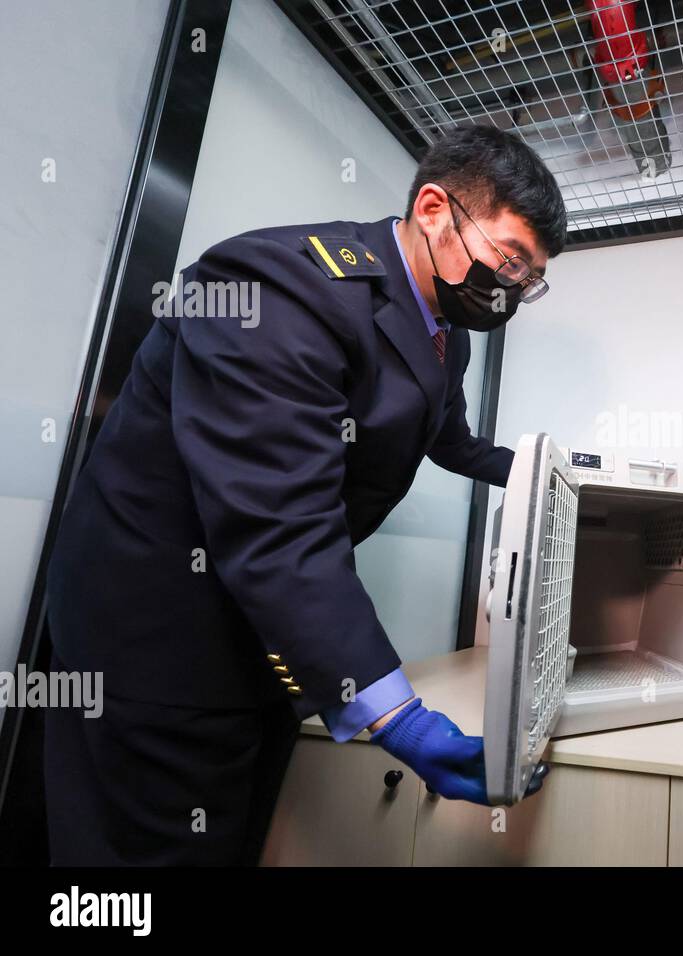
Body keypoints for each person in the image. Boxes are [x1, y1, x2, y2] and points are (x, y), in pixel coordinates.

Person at [43, 124, 563, 864]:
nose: (510, 288)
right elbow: (281, 528)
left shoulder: (443, 326)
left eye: (528, 279)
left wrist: (545, 472)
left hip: (264, 631)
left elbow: (450, 438)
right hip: (158, 632)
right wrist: (401, 721)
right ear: (433, 209)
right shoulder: (276, 289)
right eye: (507, 260)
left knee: (225, 836)